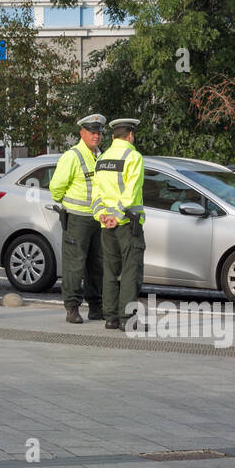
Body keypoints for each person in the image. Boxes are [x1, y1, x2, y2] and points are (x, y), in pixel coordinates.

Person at [49, 114, 108, 324]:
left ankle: (96, 307)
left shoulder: (101, 156)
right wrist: (64, 201)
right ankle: (72, 308)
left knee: (96, 266)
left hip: (97, 219)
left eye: (99, 132)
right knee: (75, 266)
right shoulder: (72, 156)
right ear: (82, 133)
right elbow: (56, 187)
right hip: (77, 220)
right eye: (92, 132)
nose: (96, 135)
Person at [92, 118, 146, 330]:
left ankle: (111, 317)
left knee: (110, 271)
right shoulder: (133, 157)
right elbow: (131, 191)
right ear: (130, 135)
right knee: (131, 271)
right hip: (127, 224)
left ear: (113, 136)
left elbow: (95, 193)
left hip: (106, 224)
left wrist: (102, 215)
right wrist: (116, 214)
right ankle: (128, 319)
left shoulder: (102, 159)